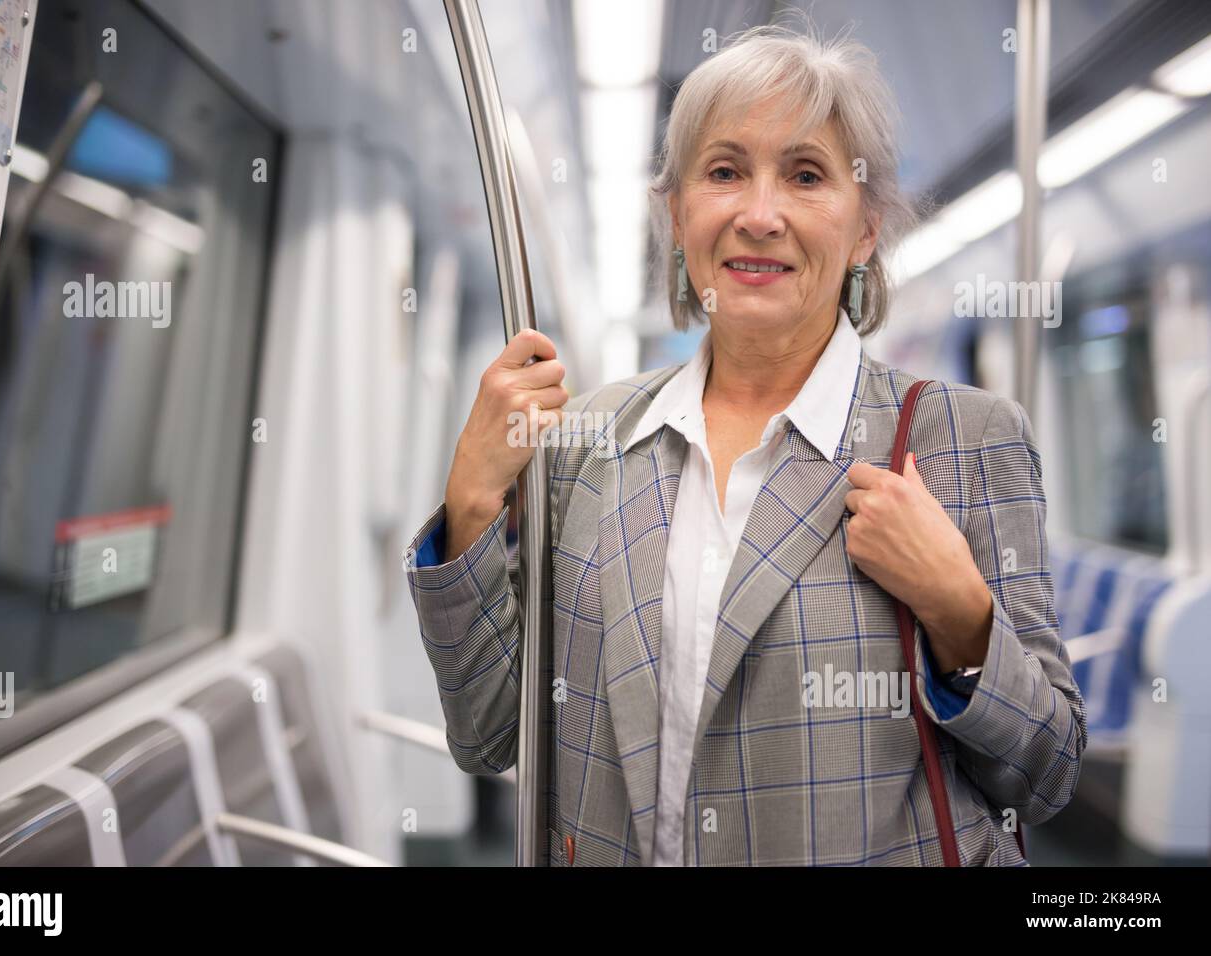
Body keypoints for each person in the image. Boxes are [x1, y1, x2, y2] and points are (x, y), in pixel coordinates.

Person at [404, 20, 1086, 866]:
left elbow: (1047, 774)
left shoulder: (968, 439)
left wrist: (960, 612)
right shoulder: (586, 443)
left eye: (805, 176)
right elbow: (492, 735)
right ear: (678, 213)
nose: (760, 216)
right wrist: (471, 506)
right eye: (725, 172)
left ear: (866, 227)